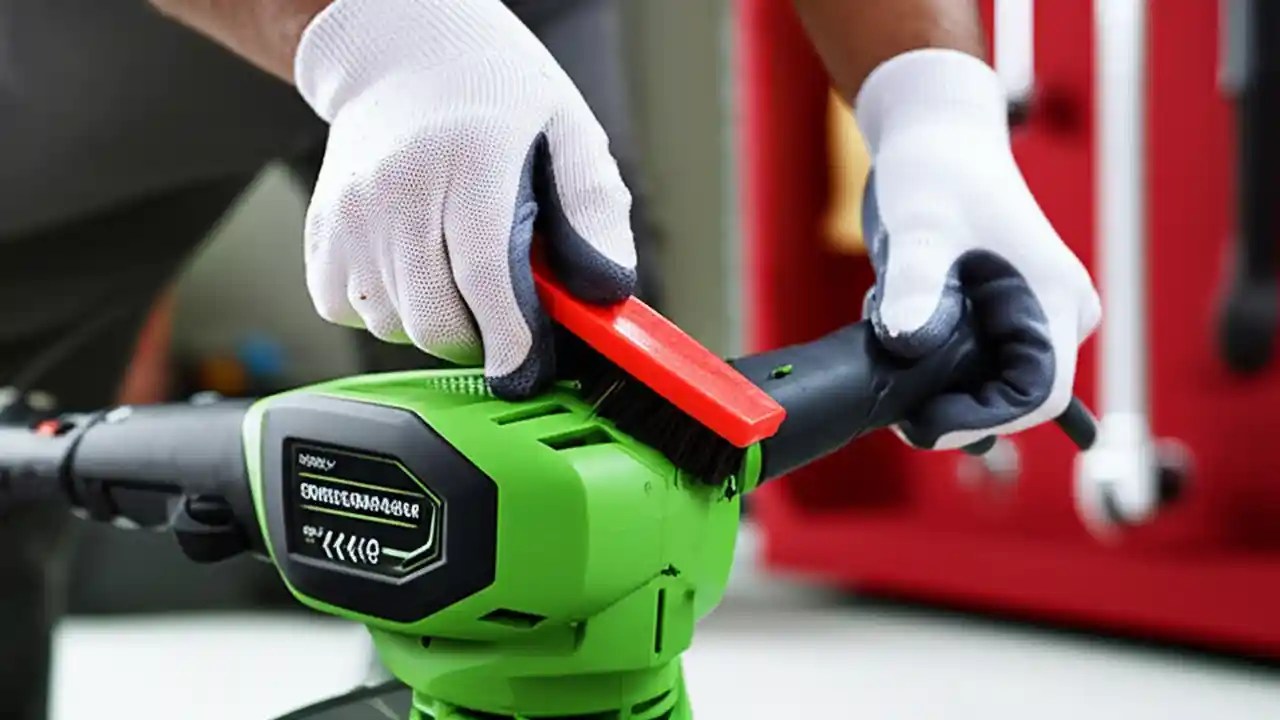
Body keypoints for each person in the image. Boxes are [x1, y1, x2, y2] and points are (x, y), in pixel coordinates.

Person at [0, 0, 1100, 718]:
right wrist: (374, 29)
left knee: (588, 476)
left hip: (511, 30)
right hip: (84, 56)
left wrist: (929, 105)